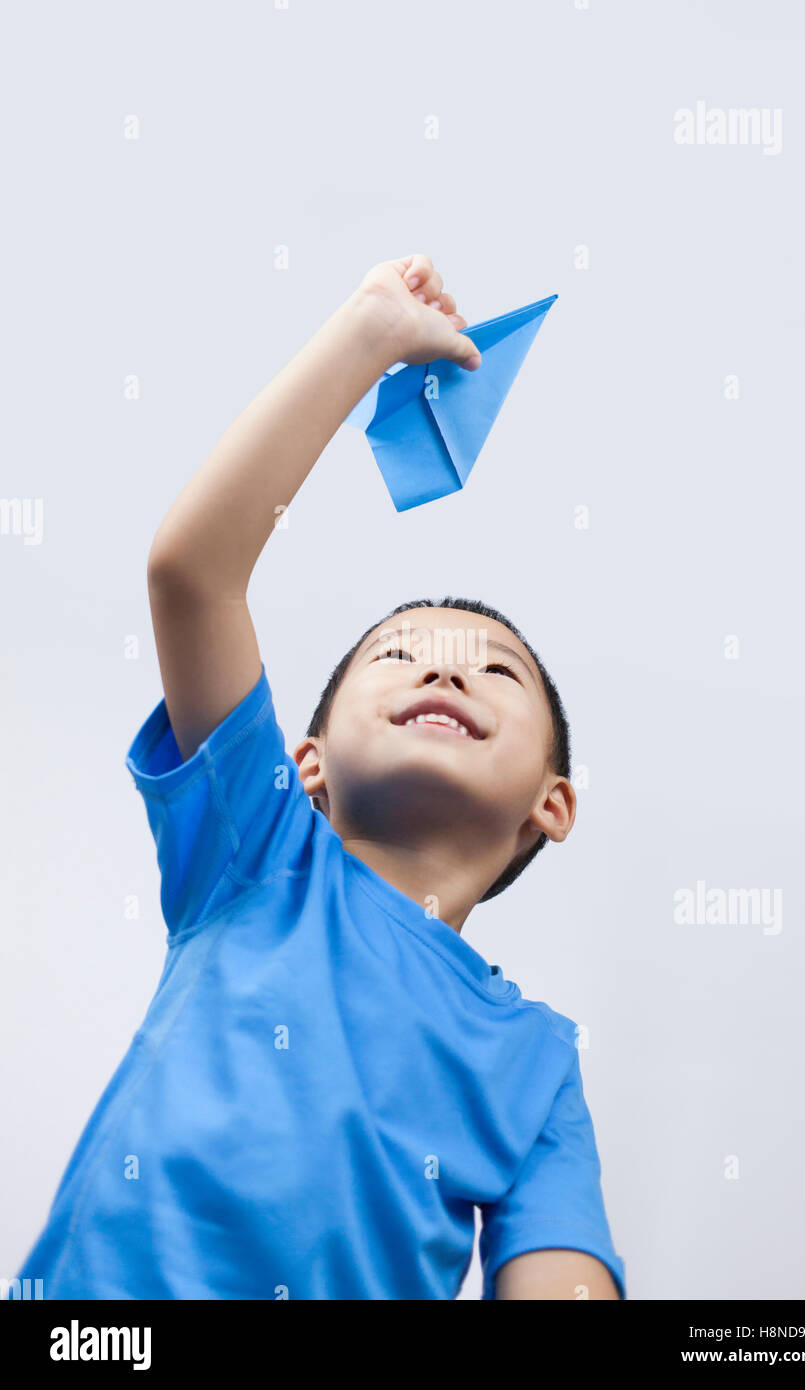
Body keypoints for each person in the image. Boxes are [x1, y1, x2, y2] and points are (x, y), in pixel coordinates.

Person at [13, 255, 626, 1300]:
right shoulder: (253, 850)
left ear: (550, 803)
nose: (441, 665)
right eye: (399, 656)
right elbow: (192, 570)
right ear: (304, 765)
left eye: (493, 670)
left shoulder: (534, 1062)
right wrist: (367, 334)